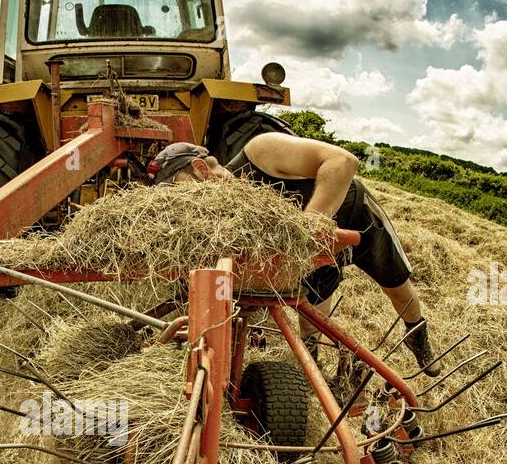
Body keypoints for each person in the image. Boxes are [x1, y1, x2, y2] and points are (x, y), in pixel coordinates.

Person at [147, 137, 438, 374]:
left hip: (355, 215)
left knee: (397, 288)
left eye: (176, 189)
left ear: (199, 167)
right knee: (309, 303)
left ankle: (417, 336)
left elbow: (343, 162)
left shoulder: (260, 152)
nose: (179, 201)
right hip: (306, 247)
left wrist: (309, 225)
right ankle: (313, 365)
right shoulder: (224, 213)